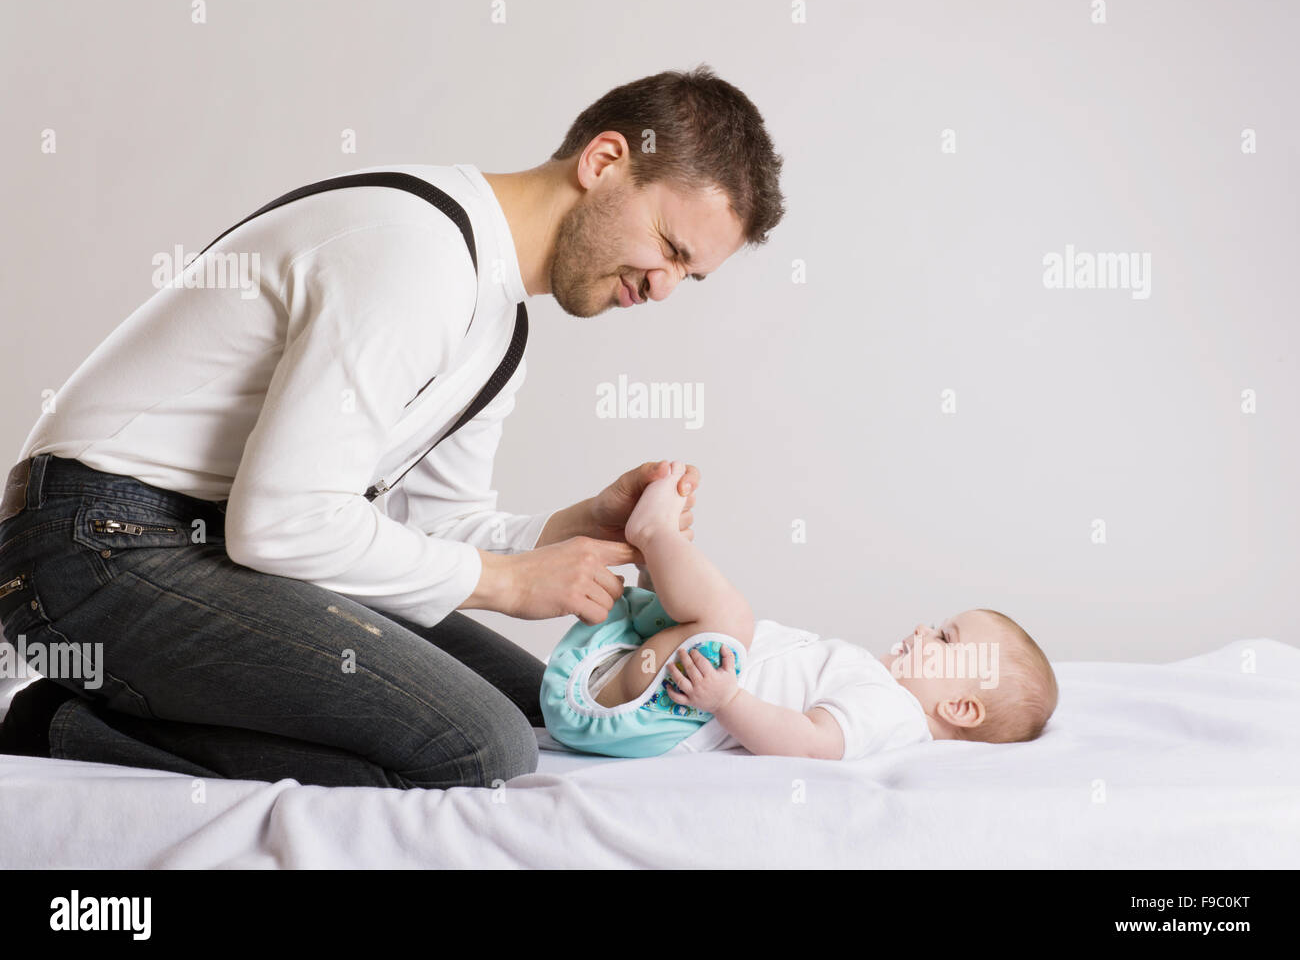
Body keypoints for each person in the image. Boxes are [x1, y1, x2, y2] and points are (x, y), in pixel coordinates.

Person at [0, 65, 787, 789]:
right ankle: (45, 723)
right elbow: (280, 524)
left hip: (212, 549)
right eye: (669, 248)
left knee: (535, 712)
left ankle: (127, 707)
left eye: (690, 275)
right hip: (91, 544)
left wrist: (570, 527)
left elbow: (432, 527)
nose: (662, 288)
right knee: (480, 749)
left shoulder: (498, 327)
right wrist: (508, 583)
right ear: (605, 159)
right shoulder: (415, 255)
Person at [541, 462, 1059, 759]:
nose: (924, 629)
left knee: (730, 625)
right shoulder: (877, 685)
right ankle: (657, 564)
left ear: (960, 708)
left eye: (946, 640)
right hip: (639, 679)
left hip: (663, 711)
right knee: (716, 626)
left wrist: (727, 701)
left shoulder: (893, 713)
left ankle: (653, 537)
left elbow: (811, 744)